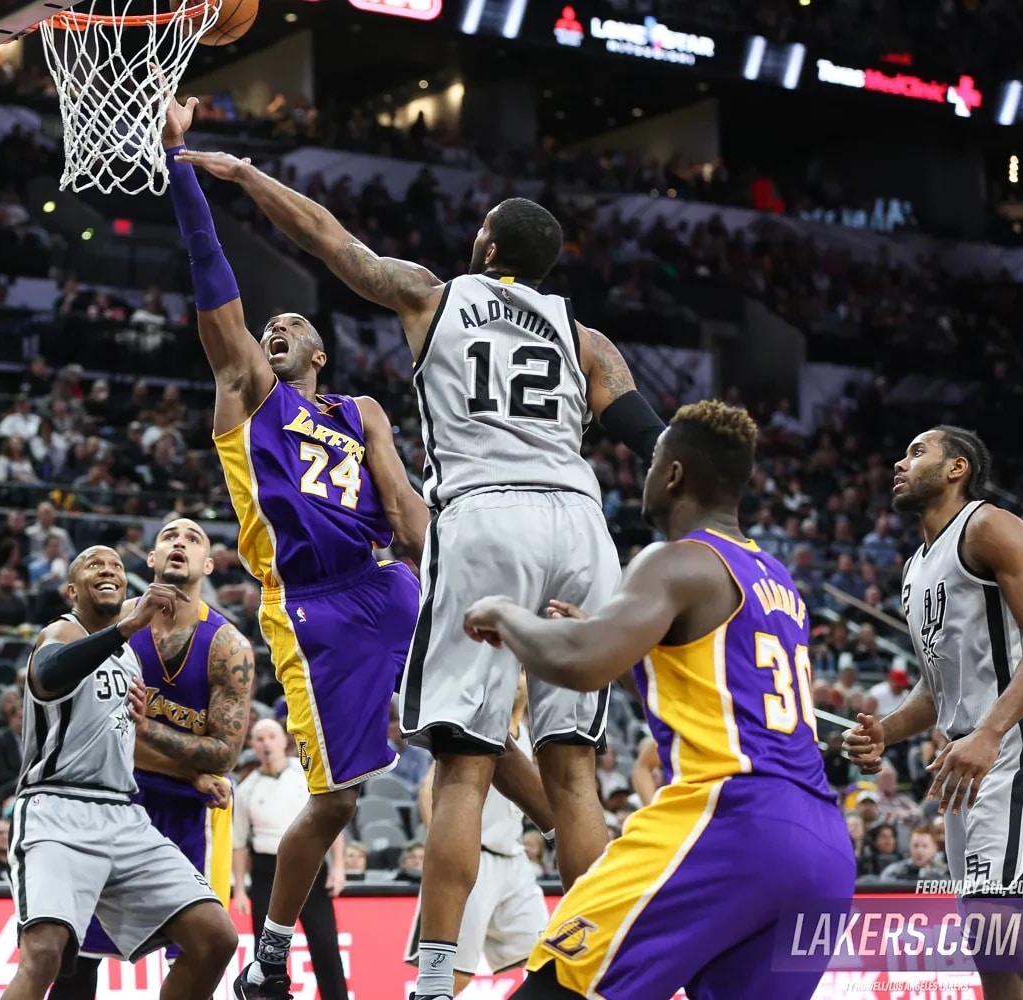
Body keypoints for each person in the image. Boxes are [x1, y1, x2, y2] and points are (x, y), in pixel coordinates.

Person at [180, 118, 664, 1000]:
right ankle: (604, 960)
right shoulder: (587, 339)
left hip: (475, 524)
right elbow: (657, 445)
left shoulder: (432, 302)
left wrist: (246, 174)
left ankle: (435, 980)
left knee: (462, 760)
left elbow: (332, 243)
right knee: (570, 766)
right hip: (580, 523)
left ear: (484, 246)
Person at [159, 96, 435, 1000]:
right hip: (314, 604)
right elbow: (212, 282)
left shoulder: (361, 413)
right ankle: (273, 955)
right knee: (342, 799)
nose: (272, 330)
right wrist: (181, 163)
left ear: (319, 347)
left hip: (388, 581)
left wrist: (447, 551)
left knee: (492, 722)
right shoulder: (246, 393)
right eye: (265, 328)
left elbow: (408, 523)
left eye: (290, 327)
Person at [461, 401, 855, 999]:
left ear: (672, 475)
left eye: (651, 463)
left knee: (556, 987)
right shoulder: (776, 577)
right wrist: (618, 640)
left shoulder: (675, 561)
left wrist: (506, 614)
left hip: (730, 819)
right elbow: (709, 688)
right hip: (823, 846)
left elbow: (579, 662)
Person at [846, 425, 1023, 1000]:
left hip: (1019, 736)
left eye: (916, 452)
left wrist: (991, 732)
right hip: (967, 756)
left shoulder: (989, 526)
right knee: (990, 947)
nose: (899, 461)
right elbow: (935, 689)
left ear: (956, 468)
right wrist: (884, 733)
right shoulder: (916, 569)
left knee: (1004, 923)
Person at [1, 547, 238, 1000]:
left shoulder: (128, 658)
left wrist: (189, 775)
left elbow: (118, 739)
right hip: (56, 809)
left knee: (215, 938)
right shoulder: (61, 631)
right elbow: (49, 675)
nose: (108, 570)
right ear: (72, 590)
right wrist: (127, 625)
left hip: (123, 813)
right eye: (94, 565)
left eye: (115, 566)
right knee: (45, 952)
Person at [54, 518, 254, 998]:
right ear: (152, 560)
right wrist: (189, 765)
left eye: (192, 538)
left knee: (204, 948)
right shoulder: (112, 627)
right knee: (76, 955)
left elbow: (224, 755)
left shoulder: (228, 646)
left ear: (208, 564)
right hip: (114, 800)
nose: (178, 542)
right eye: (168, 536)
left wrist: (146, 730)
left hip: (187, 815)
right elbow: (88, 725)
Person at [405, 677, 548, 995]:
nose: (516, 677)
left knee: (548, 960)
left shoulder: (527, 735)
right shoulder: (480, 725)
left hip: (515, 861)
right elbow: (430, 786)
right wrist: (440, 845)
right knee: (453, 978)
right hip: (473, 858)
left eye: (522, 670)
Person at [233, 718, 347, 1000]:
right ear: (252, 746)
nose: (266, 743)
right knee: (267, 952)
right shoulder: (247, 789)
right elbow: (239, 844)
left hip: (310, 869)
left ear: (285, 740)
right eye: (259, 739)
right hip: (265, 873)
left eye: (271, 736)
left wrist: (339, 868)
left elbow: (332, 821)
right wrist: (238, 888)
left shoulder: (305, 775)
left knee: (325, 944)